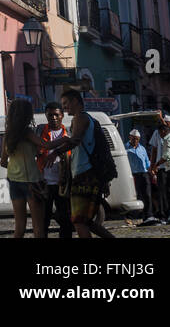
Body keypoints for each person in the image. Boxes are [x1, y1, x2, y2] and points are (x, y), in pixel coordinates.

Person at [49, 90, 115, 238]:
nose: (65, 108)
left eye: (66, 104)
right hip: (85, 174)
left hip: (85, 174)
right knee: (85, 221)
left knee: (79, 221)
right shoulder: (84, 119)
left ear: (75, 101)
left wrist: (55, 151)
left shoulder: (81, 117)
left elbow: (75, 140)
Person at [0, 98, 65, 239]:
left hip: (14, 182)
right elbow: (46, 145)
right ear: (27, 115)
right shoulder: (27, 132)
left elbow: (3, 162)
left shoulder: (8, 134)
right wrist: (66, 139)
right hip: (32, 182)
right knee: (38, 228)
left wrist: (16, 168)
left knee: (19, 227)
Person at [36, 102, 74, 238]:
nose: (53, 117)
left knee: (65, 219)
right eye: (50, 115)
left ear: (62, 116)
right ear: (46, 116)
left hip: (62, 184)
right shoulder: (39, 131)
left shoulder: (69, 133)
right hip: (44, 183)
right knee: (43, 221)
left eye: (56, 114)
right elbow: (35, 151)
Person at [127, 129, 158, 226]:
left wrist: (152, 172)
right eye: (134, 138)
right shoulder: (125, 148)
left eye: (137, 139)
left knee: (147, 195)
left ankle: (148, 215)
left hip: (144, 174)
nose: (135, 141)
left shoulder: (142, 148)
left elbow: (147, 162)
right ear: (130, 137)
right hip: (133, 175)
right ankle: (133, 217)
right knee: (135, 196)